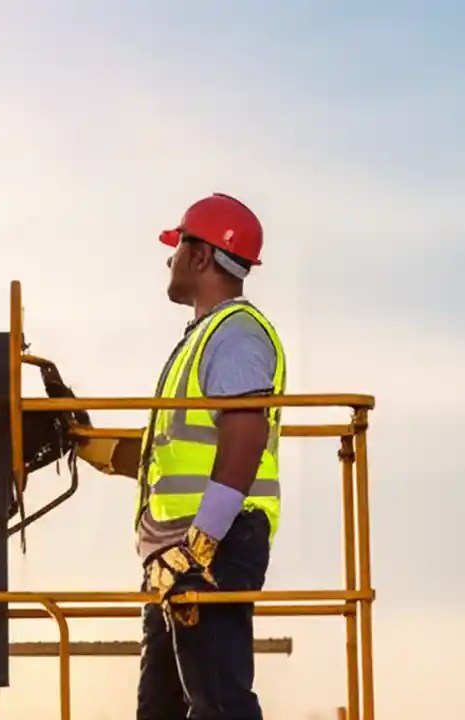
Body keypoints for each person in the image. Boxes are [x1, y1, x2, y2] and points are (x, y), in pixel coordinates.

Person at [78, 192, 285, 719]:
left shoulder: (235, 334)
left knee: (217, 701)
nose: (169, 259)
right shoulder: (203, 340)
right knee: (163, 709)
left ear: (199, 257)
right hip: (176, 557)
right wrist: (84, 445)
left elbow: (244, 436)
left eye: (177, 246)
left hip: (210, 547)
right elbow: (168, 459)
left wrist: (199, 546)